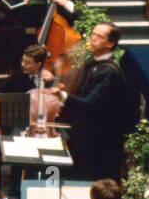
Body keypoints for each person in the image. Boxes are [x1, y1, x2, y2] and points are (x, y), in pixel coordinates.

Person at [45, 22, 132, 181]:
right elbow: (79, 91)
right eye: (93, 34)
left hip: (100, 144)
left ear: (111, 43)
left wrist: (63, 96)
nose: (93, 39)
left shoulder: (110, 72)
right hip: (83, 136)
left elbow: (91, 104)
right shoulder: (91, 63)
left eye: (99, 36)